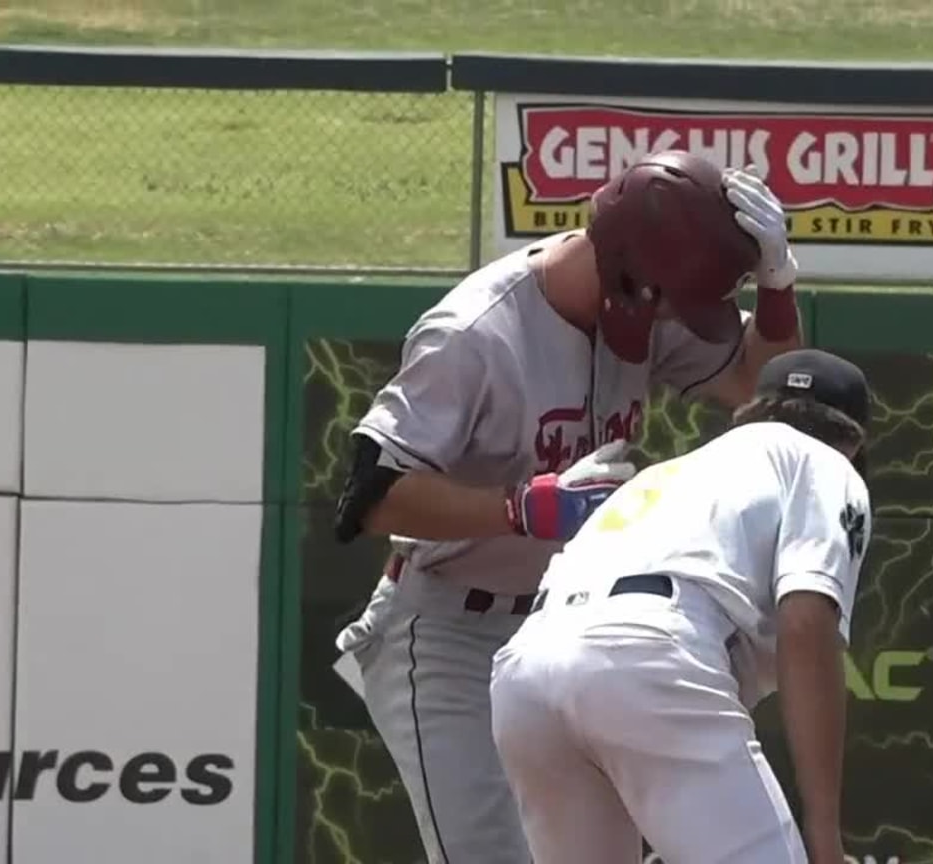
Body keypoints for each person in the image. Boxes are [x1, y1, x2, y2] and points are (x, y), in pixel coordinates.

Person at [328, 149, 806, 863]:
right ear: (631, 277)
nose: (679, 319)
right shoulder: (474, 333)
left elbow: (762, 394)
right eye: (675, 302)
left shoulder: (646, 300)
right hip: (451, 631)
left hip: (565, 628)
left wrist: (777, 283)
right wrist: (520, 509)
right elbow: (368, 497)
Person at [490, 348, 874, 864]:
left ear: (752, 411)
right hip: (645, 654)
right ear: (853, 440)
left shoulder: (665, 474)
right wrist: (823, 831)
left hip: (527, 672)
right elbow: (807, 625)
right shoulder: (823, 462)